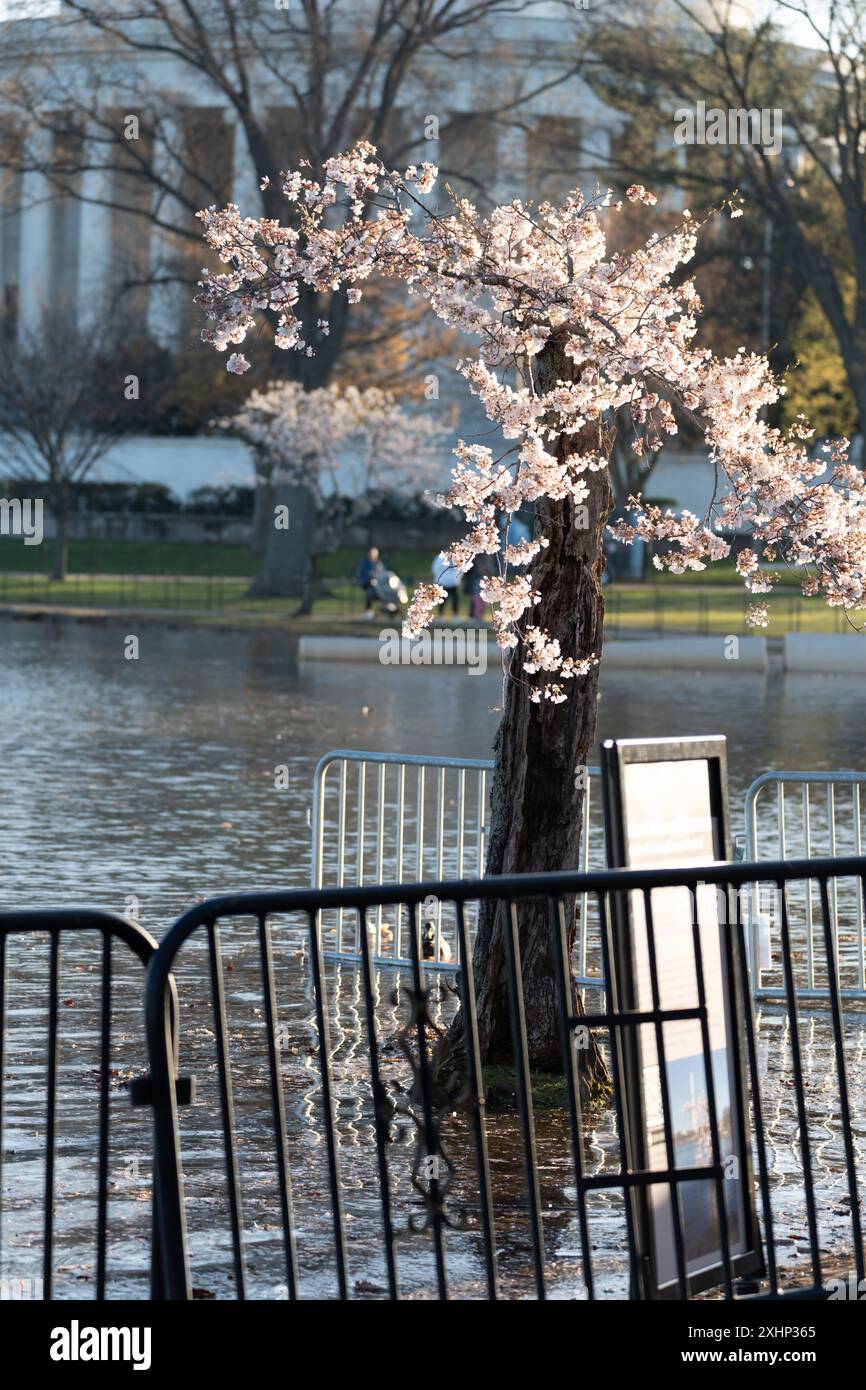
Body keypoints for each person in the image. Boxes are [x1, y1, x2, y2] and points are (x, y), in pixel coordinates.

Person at [356, 546, 388, 619]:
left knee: (388, 590)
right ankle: (369, 612)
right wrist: (369, 576)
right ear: (368, 554)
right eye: (371, 553)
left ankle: (389, 607)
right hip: (367, 584)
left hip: (379, 584)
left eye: (375, 554)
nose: (373, 555)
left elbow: (384, 573)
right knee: (370, 593)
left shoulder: (379, 563)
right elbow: (359, 575)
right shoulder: (364, 563)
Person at [432, 549, 461, 616]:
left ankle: (456, 615)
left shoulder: (456, 558)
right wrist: (441, 578)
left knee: (455, 600)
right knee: (442, 600)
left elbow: (460, 569)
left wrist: (457, 578)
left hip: (453, 583)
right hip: (443, 583)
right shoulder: (440, 558)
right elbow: (435, 568)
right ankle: (441, 615)